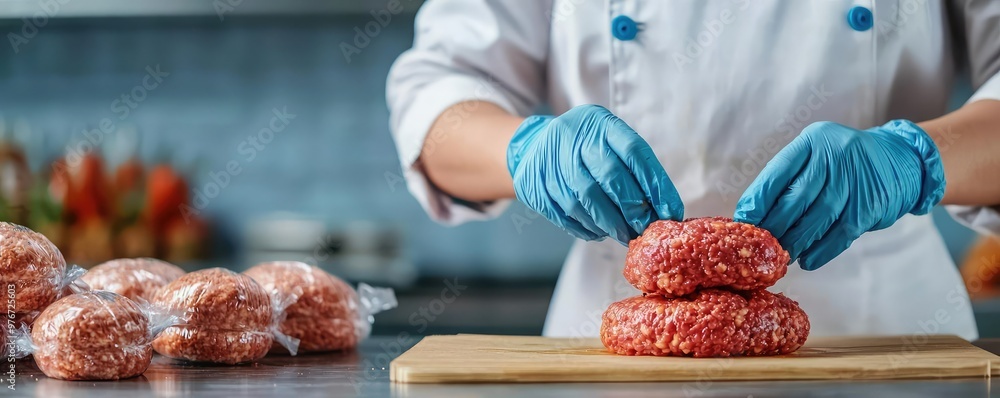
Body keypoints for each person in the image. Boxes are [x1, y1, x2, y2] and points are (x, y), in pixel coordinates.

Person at [386, 1, 1000, 340]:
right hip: (619, 338)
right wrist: (523, 151)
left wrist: (917, 161)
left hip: (889, 333)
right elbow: (435, 92)